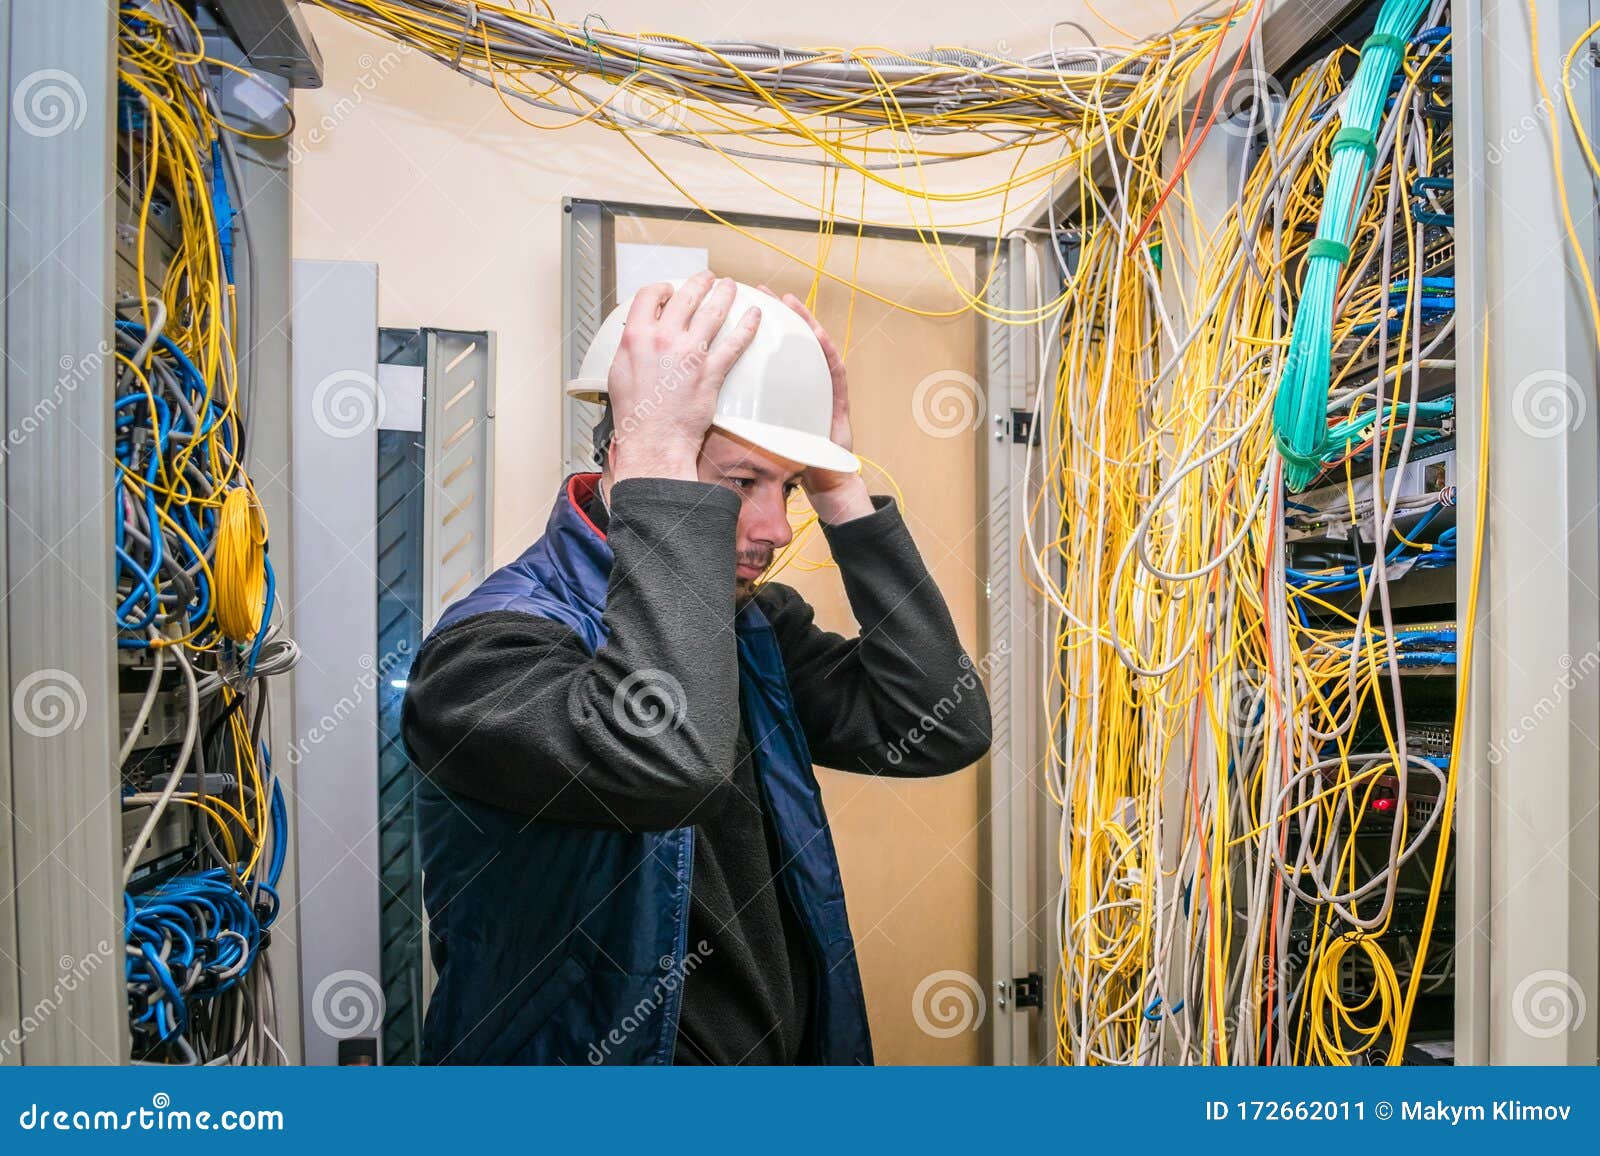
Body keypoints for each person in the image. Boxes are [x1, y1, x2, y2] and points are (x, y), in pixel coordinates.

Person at [401, 272, 992, 1065]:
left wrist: (840, 484)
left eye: (789, 488)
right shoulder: (485, 660)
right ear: (630, 460)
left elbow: (939, 725)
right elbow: (669, 763)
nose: (779, 527)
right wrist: (657, 462)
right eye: (742, 482)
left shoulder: (752, 629)